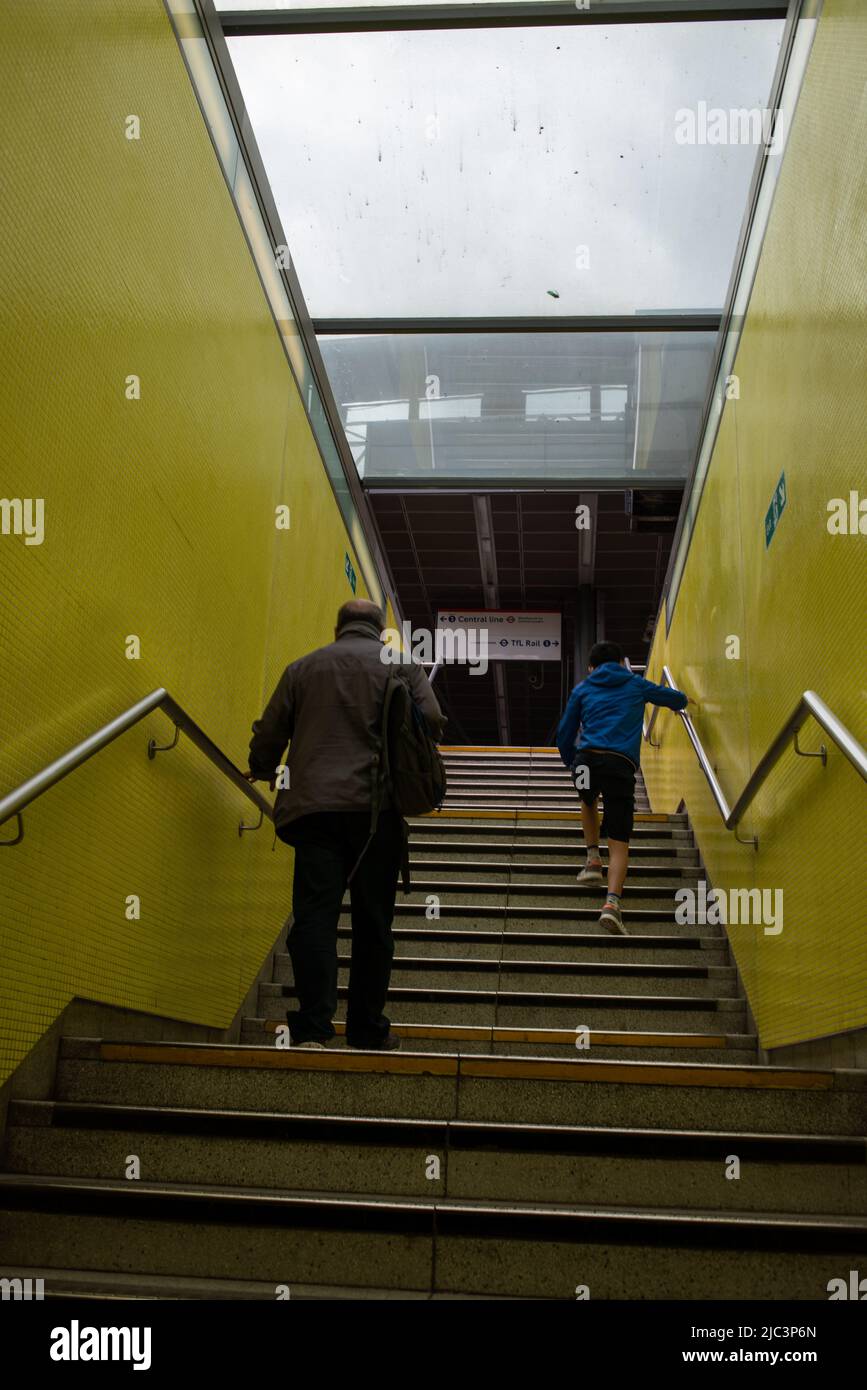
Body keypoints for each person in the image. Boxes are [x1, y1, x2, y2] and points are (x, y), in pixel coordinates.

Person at [246, 599, 444, 1050]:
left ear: (338, 627)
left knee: (315, 916)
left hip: (315, 812)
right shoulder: (401, 665)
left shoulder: (304, 668)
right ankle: (366, 1030)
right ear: (380, 630)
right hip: (377, 812)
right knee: (374, 923)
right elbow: (432, 721)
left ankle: (313, 1028)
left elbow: (270, 735)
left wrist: (261, 765)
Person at [556, 641, 690, 936]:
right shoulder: (635, 683)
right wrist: (685, 699)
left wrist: (570, 761)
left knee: (587, 799)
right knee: (619, 838)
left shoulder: (582, 689)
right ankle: (612, 905)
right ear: (620, 662)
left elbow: (564, 733)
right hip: (620, 765)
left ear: (592, 667)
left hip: (585, 761)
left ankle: (592, 859)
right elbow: (675, 699)